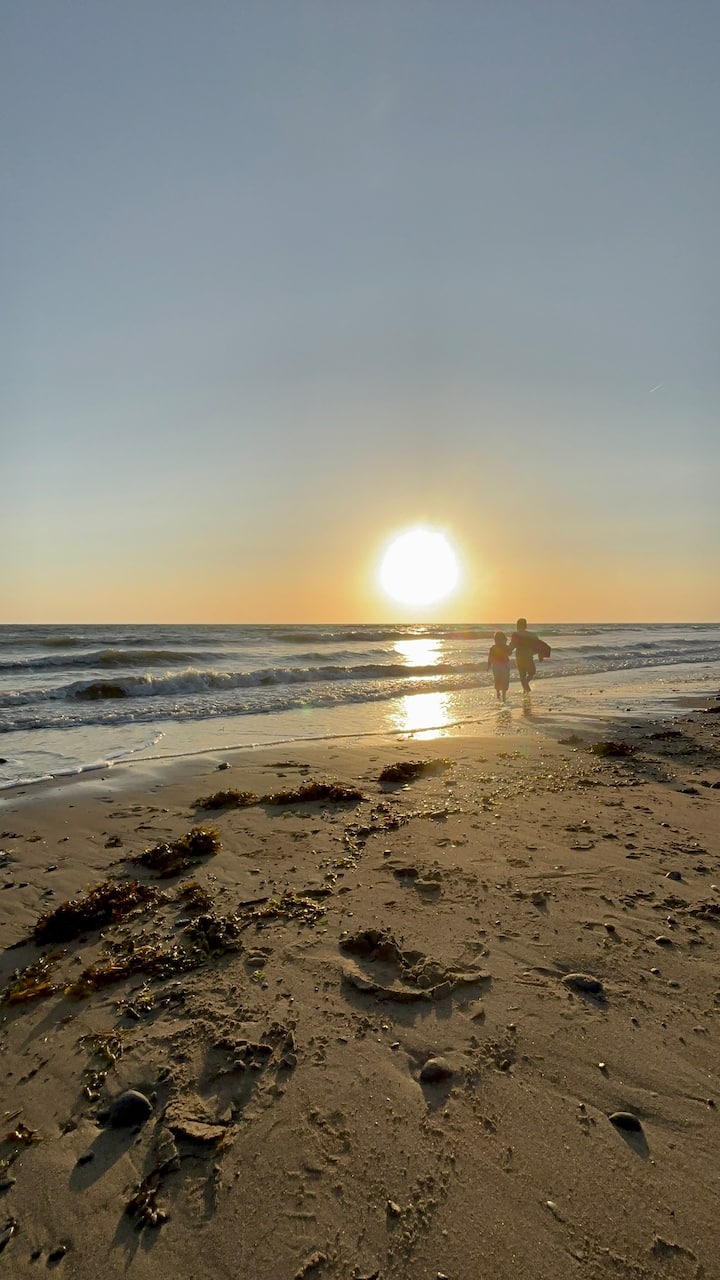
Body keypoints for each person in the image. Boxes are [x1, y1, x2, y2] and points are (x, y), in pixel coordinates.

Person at [508, 618, 549, 693]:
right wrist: (540, 654)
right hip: (528, 656)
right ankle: (526, 685)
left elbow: (512, 646)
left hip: (519, 657)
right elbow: (538, 646)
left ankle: (525, 689)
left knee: (522, 675)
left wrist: (506, 652)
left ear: (517, 626)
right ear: (526, 626)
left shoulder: (516, 635)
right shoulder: (532, 635)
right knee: (532, 672)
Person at [487, 630, 511, 702]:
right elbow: (509, 653)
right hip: (503, 665)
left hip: (497, 666)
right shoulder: (505, 647)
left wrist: (489, 665)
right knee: (504, 679)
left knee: (498, 679)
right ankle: (502, 693)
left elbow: (490, 657)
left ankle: (499, 693)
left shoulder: (493, 648)